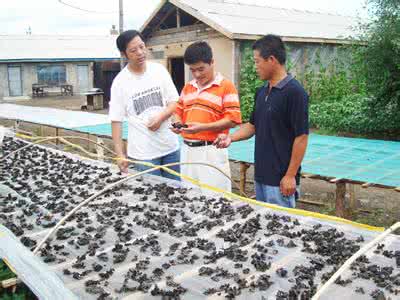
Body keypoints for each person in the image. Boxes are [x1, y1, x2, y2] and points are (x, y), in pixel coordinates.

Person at [214, 35, 309, 208]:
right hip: (261, 175)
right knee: (264, 225)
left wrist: (290, 176)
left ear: (271, 60)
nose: (255, 67)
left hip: (280, 180)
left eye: (257, 61)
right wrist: (231, 138)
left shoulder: (295, 93)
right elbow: (253, 125)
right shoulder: (262, 91)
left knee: (281, 229)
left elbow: (301, 137)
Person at [109, 30, 180, 180]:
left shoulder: (159, 70)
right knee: (152, 197)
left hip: (170, 147)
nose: (140, 53)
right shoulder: (120, 83)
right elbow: (116, 120)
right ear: (124, 54)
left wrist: (162, 116)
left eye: (142, 47)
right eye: (133, 50)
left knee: (177, 192)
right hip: (143, 154)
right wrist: (120, 154)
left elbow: (174, 102)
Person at [171, 41, 242, 192]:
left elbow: (233, 120)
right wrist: (177, 123)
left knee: (216, 200)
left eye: (201, 69)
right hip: (187, 151)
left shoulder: (226, 86)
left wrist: (203, 127)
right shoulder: (188, 87)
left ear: (212, 62)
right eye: (193, 70)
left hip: (211, 151)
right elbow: (178, 110)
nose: (197, 74)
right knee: (190, 197)